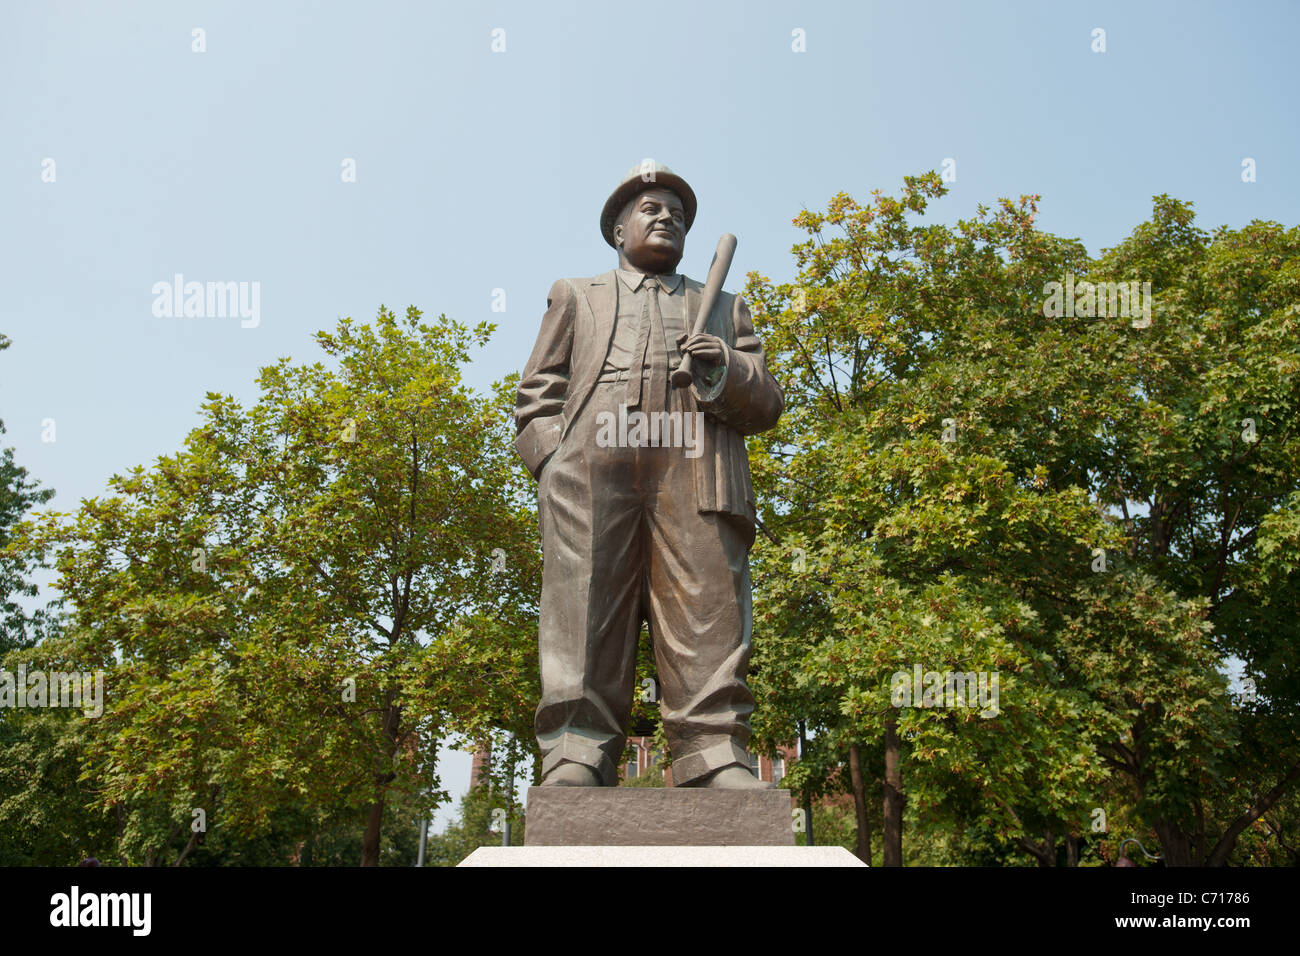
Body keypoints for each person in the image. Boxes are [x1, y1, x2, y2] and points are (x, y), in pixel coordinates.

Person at [515, 162, 783, 788]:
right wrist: (554, 463)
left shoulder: (721, 307)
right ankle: (576, 749)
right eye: (652, 210)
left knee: (706, 603)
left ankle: (713, 752)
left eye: (680, 217)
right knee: (583, 604)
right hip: (593, 461)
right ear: (617, 230)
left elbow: (766, 402)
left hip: (692, 459)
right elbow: (537, 394)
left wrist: (724, 369)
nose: (668, 220)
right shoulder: (576, 294)